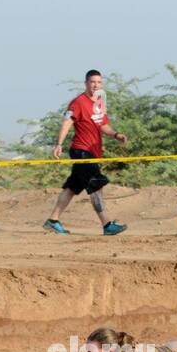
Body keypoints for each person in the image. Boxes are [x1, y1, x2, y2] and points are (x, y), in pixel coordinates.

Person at [43, 70, 129, 236]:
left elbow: (103, 125)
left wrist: (116, 135)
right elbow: (67, 123)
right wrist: (59, 144)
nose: (95, 85)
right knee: (96, 185)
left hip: (93, 152)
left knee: (72, 187)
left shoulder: (99, 102)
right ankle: (107, 225)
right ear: (86, 83)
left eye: (99, 82)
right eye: (92, 82)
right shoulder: (78, 102)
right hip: (82, 151)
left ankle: (52, 220)